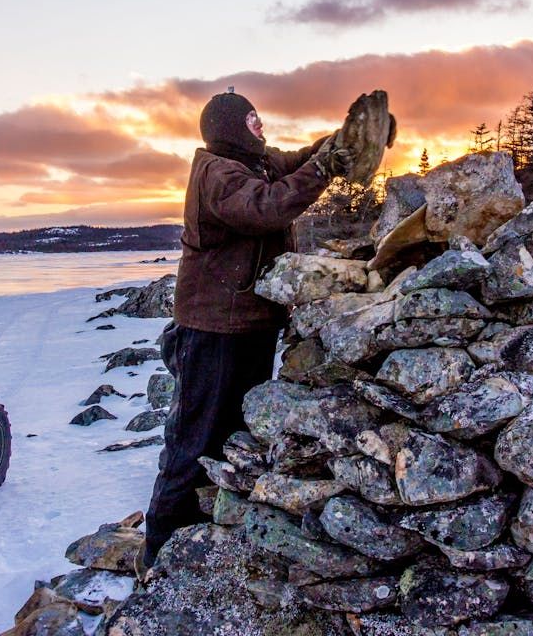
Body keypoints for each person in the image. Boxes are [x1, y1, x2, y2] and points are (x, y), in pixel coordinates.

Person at [141, 91, 389, 569]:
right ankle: (158, 555)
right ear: (232, 128)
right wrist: (325, 168)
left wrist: (344, 140)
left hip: (248, 325)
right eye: (254, 121)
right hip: (212, 330)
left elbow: (297, 160)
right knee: (194, 442)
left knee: (235, 437)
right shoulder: (218, 174)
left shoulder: (253, 162)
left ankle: (209, 536)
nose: (262, 128)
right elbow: (266, 208)